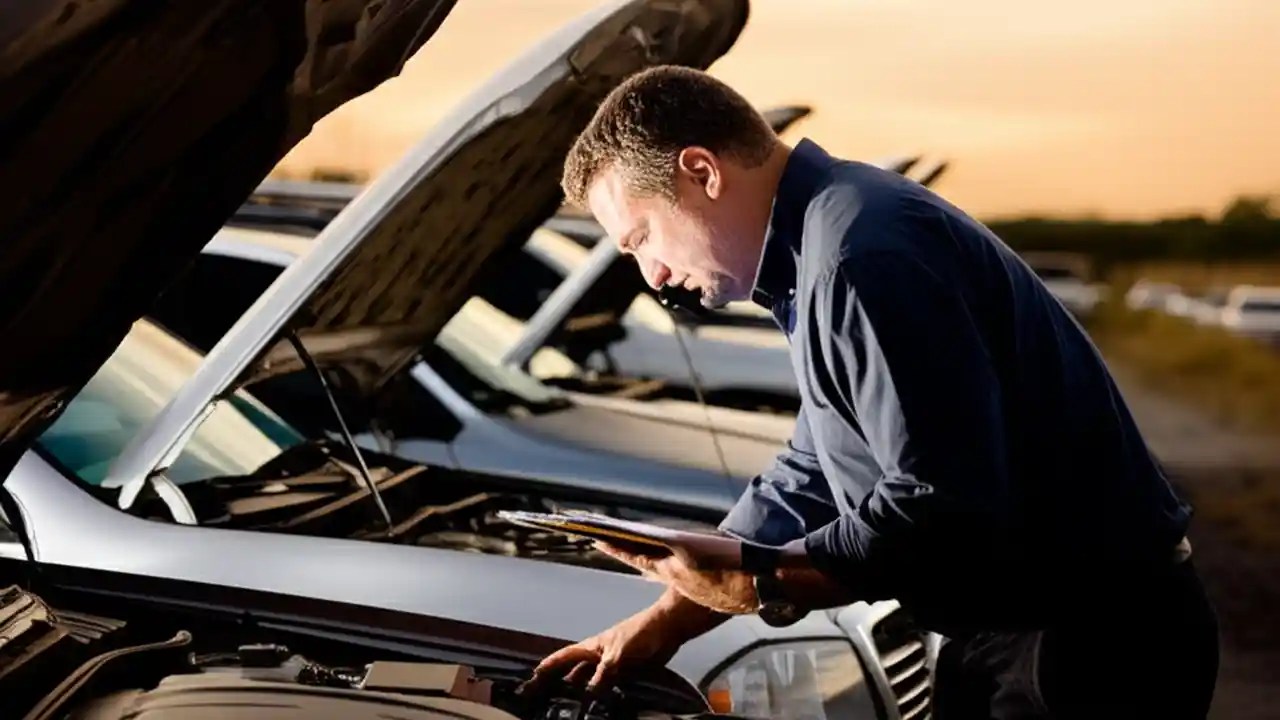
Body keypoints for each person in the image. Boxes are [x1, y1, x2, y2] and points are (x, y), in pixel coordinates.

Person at [522, 66, 1219, 718]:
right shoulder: (823, 244)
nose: (654, 276)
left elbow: (942, 504)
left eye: (642, 236)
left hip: (1089, 643)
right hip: (1036, 631)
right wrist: (663, 622)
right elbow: (816, 468)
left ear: (701, 171)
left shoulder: (861, 256)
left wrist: (766, 585)